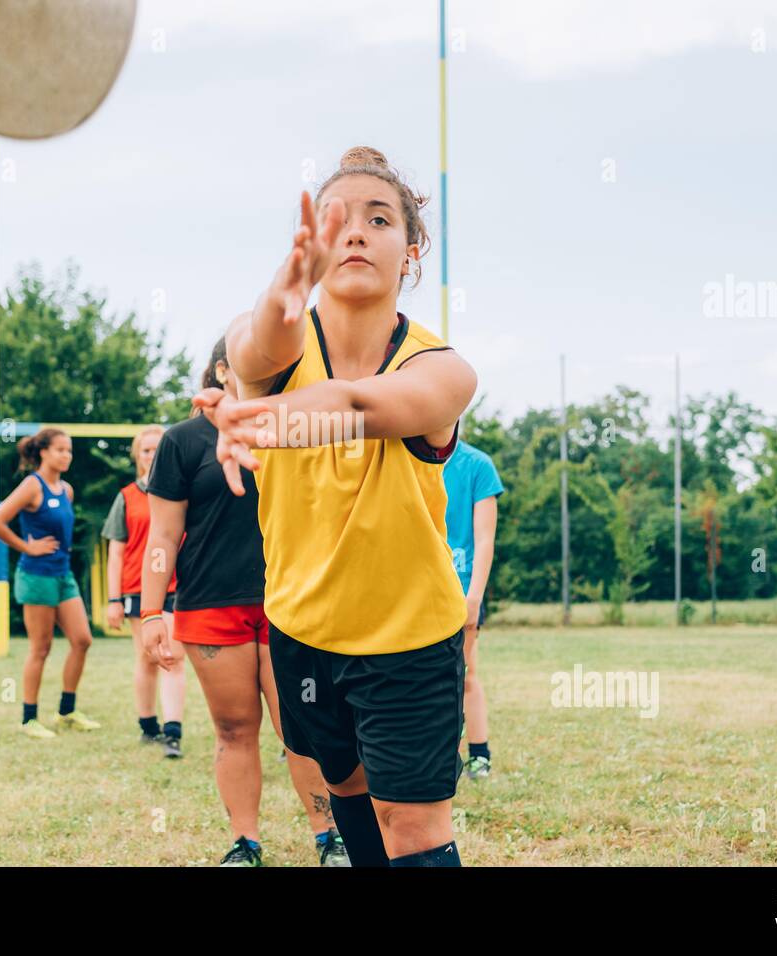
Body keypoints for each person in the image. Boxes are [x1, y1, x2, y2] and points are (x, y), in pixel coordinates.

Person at [195, 147, 477, 867]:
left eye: (378, 220)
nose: (354, 233)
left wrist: (260, 421)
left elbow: (353, 407)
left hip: (409, 637)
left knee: (412, 829)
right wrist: (287, 291)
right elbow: (262, 347)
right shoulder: (263, 340)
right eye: (336, 220)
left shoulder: (440, 370)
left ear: (409, 252)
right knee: (349, 799)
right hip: (304, 632)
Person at [140, 337, 350, 867]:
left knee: (302, 727)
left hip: (293, 601)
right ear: (221, 370)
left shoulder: (297, 428)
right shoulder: (183, 442)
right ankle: (245, 842)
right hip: (211, 604)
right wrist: (149, 612)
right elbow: (162, 538)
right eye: (250, 365)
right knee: (234, 729)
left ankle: (330, 837)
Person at [0, 428, 100, 738]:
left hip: (63, 575)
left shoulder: (67, 490)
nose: (67, 455)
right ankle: (29, 718)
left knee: (82, 640)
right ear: (44, 452)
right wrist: (27, 546)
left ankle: (66, 712)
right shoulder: (31, 486)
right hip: (36, 575)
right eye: (60, 449)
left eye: (70, 450)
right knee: (41, 647)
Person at [102, 426, 186, 758]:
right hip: (137, 587)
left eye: (157, 449)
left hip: (178, 585)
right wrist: (113, 600)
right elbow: (116, 553)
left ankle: (173, 732)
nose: (152, 455)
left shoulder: (181, 491)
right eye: (146, 450)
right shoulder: (126, 497)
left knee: (173, 656)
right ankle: (148, 725)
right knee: (148, 657)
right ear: (138, 456)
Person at [442, 438, 504, 779]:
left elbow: (484, 539)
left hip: (461, 588)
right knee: (426, 683)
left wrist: (474, 598)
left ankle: (479, 754)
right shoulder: (403, 456)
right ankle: (440, 758)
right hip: (417, 590)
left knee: (463, 674)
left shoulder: (477, 465)